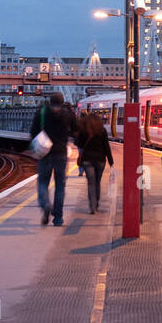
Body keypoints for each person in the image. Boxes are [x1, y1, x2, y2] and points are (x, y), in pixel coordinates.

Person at [30, 93, 81, 227]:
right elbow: (76, 131)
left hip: (44, 153)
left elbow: (33, 131)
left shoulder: (41, 112)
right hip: (61, 154)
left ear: (50, 101)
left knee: (42, 182)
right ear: (62, 101)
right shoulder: (68, 114)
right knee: (60, 186)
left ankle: (45, 204)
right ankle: (58, 218)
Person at [78, 113, 115, 214]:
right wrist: (111, 161)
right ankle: (96, 203)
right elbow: (106, 146)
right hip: (100, 160)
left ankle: (92, 206)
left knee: (91, 183)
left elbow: (79, 144)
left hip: (87, 160)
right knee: (97, 182)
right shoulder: (102, 130)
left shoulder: (84, 130)